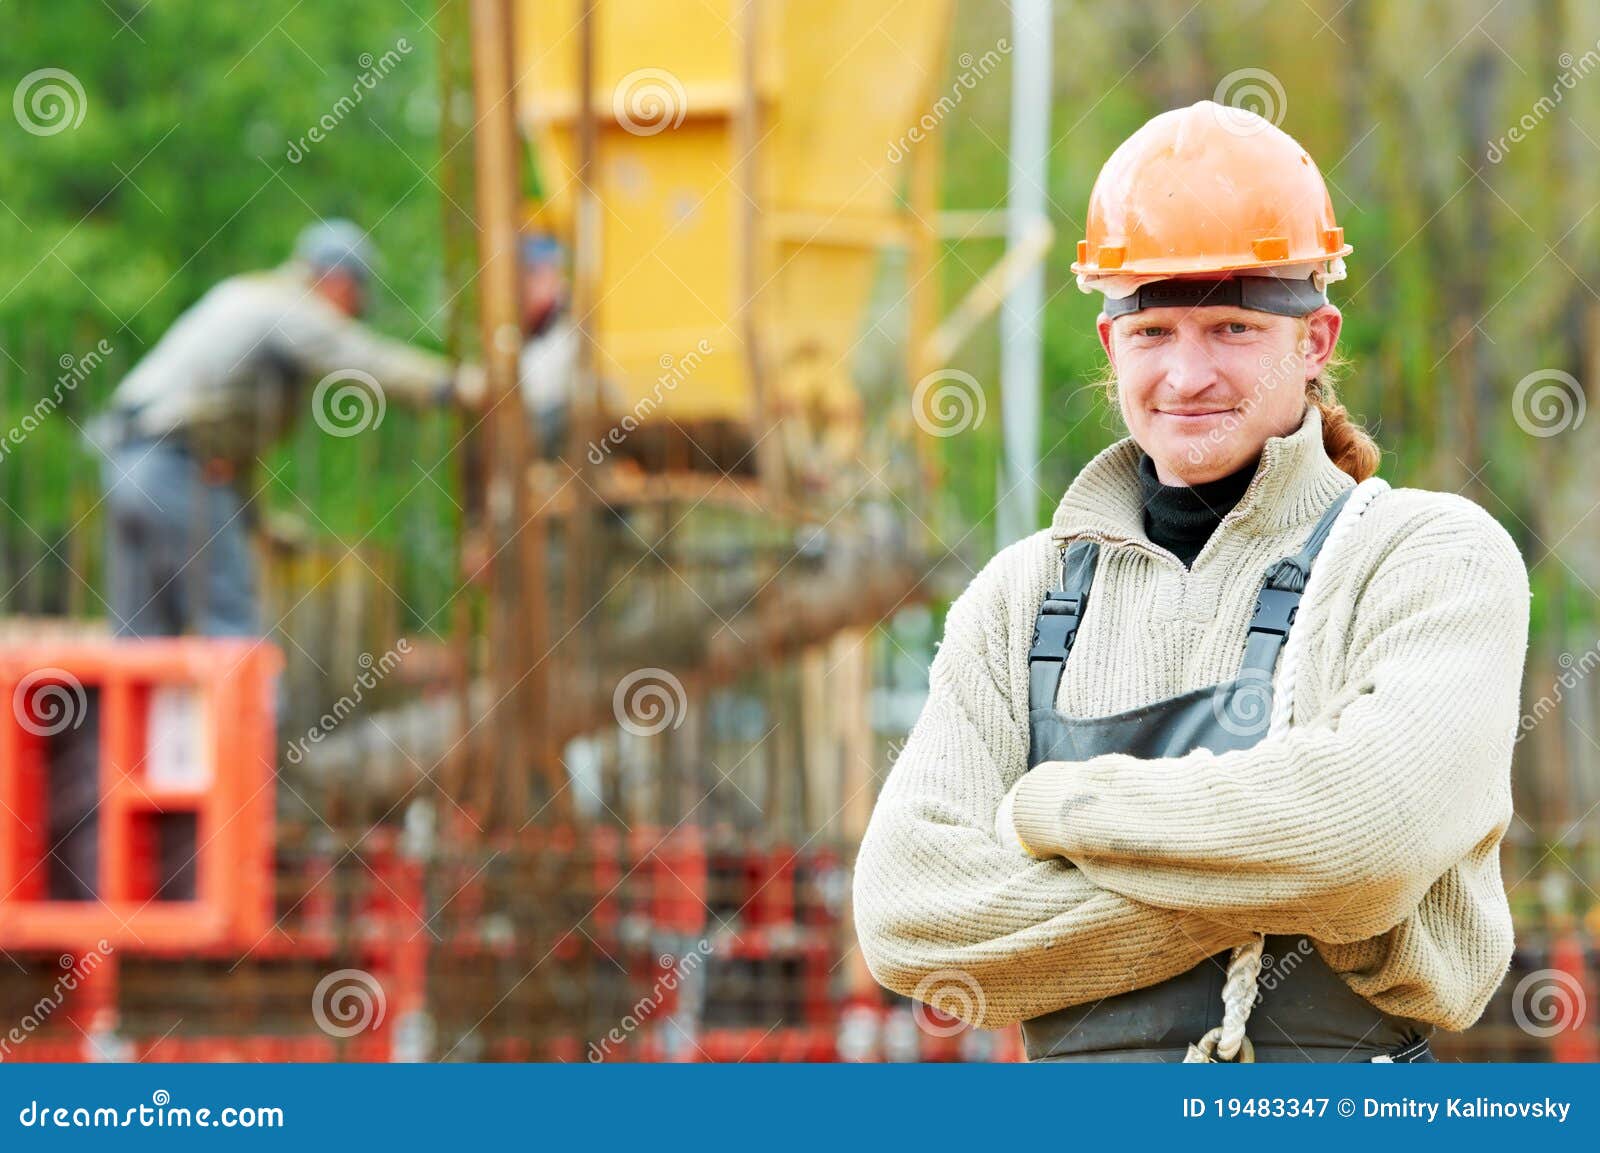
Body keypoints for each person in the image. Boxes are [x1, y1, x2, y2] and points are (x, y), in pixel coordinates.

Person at [852, 101, 1532, 1063]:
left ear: (1317, 340)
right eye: (1156, 329)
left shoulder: (1425, 558)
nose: (1189, 372)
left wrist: (1049, 813)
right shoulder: (1018, 601)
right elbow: (908, 917)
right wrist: (1296, 889)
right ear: (1109, 345)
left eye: (1232, 326)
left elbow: (1364, 838)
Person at [90, 219, 481, 638]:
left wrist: (257, 523)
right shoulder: (290, 307)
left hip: (125, 465)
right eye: (356, 301)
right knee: (231, 624)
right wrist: (453, 385)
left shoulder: (243, 295)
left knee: (140, 636)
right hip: (172, 468)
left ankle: (125, 707)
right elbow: (363, 359)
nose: (351, 313)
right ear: (339, 283)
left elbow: (225, 456)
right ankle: (249, 706)